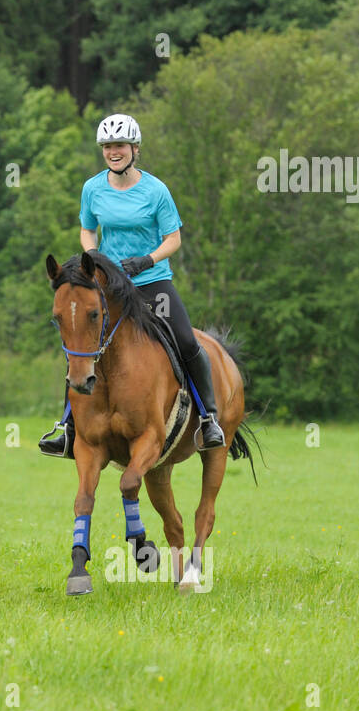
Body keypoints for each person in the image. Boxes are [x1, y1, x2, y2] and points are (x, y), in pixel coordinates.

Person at [39, 113, 226, 458]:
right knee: (80, 345)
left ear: (135, 149)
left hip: (152, 282)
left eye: (120, 145)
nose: (114, 151)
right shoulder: (92, 188)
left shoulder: (156, 190)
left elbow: (174, 239)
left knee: (186, 340)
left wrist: (147, 260)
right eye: (108, 146)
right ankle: (67, 427)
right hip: (110, 286)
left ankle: (208, 419)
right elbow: (87, 229)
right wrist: (92, 253)